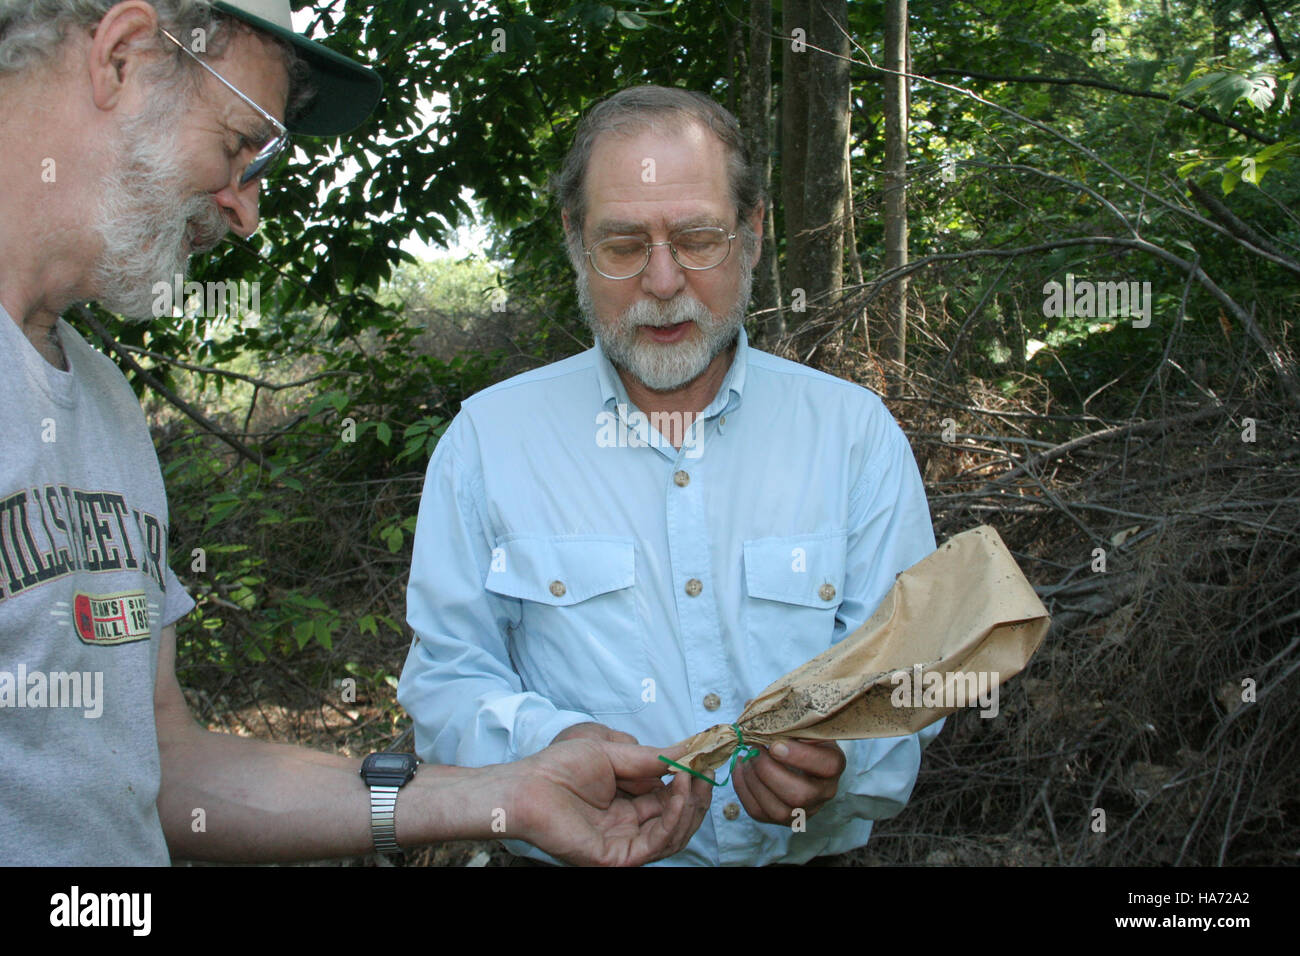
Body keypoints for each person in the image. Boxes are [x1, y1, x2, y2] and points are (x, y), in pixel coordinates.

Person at [0, 1, 709, 867]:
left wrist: (505, 792)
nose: (246, 211)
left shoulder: (102, 398)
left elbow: (165, 763)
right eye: (236, 147)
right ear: (123, 54)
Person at [397, 84, 943, 866]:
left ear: (753, 236)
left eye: (697, 239)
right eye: (623, 246)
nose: (661, 282)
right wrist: (554, 747)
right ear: (575, 242)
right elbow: (446, 679)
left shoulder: (853, 437)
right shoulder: (489, 440)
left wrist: (842, 758)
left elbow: (911, 674)